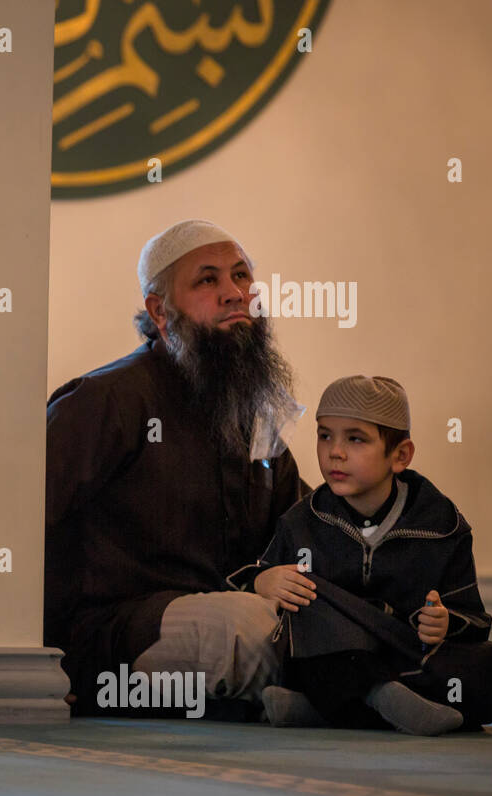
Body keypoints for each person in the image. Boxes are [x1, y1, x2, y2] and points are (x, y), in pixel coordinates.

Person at [46, 219, 309, 717]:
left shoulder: (251, 411)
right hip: (119, 635)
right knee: (244, 630)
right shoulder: (107, 401)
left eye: (241, 276)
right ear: (160, 311)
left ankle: (336, 690)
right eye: (208, 280)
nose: (234, 293)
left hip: (236, 606)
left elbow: (303, 524)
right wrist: (47, 665)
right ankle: (339, 692)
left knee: (319, 608)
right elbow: (32, 526)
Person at [247, 375, 492, 733]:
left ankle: (322, 711)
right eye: (325, 435)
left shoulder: (442, 524)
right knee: (309, 599)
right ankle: (382, 696)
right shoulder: (302, 521)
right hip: (337, 653)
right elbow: (257, 574)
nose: (335, 451)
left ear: (400, 456)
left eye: (355, 438)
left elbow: (474, 618)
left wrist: (446, 622)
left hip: (407, 654)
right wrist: (264, 578)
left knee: (490, 662)